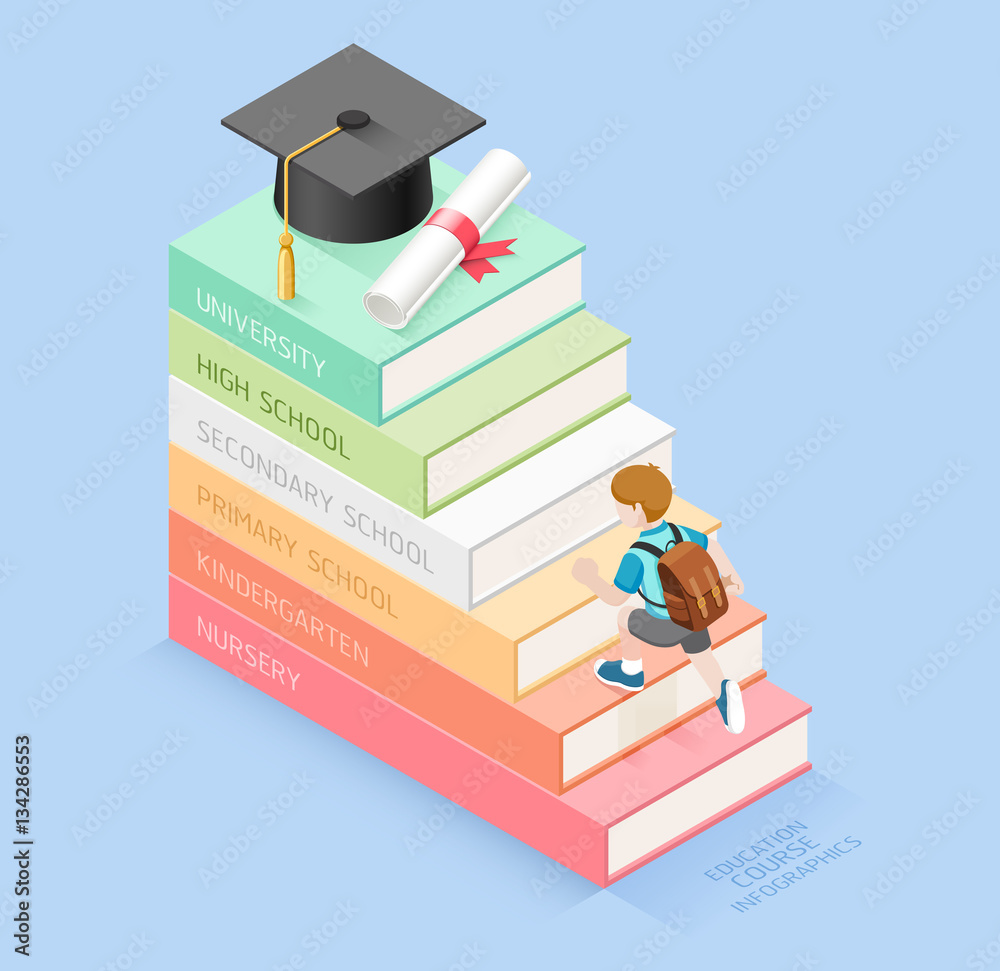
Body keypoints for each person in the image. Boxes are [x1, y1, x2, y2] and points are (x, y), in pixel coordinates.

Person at [571, 463, 746, 733]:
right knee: (701, 655)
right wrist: (732, 577)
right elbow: (712, 544)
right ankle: (723, 692)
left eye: (621, 506)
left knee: (625, 616)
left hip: (665, 625)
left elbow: (616, 597)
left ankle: (631, 673)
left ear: (637, 510)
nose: (618, 511)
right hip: (697, 613)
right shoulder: (680, 532)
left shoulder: (637, 554)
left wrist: (590, 578)